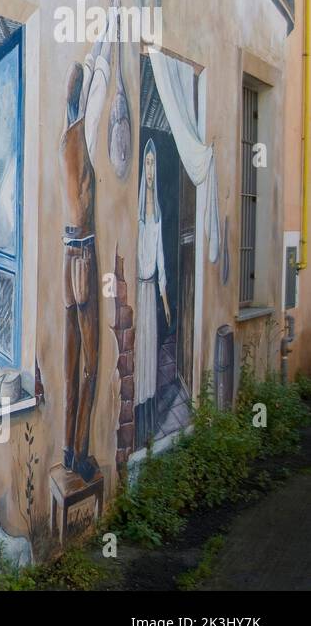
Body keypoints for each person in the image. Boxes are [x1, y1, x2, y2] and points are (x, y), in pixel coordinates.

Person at [59, 6, 112, 483]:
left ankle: (66, 446)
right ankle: (80, 451)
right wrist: (109, 26)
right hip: (86, 254)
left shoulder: (65, 138)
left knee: (70, 358)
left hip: (64, 253)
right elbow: (103, 73)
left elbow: (91, 80)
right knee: (93, 362)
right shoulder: (88, 135)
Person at [135, 140, 171, 449]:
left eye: (152, 164)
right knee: (140, 351)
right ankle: (137, 416)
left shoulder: (156, 211)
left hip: (151, 292)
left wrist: (165, 297)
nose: (149, 169)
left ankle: (149, 417)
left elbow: (159, 257)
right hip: (138, 291)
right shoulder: (136, 213)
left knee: (150, 352)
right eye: (145, 163)